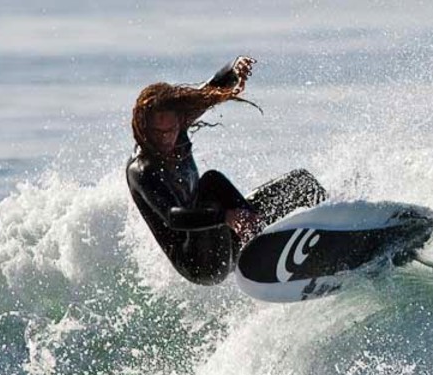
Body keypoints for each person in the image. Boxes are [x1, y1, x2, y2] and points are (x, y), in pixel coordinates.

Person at [127, 57, 326, 285]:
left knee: (301, 183)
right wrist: (226, 217)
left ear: (179, 122)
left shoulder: (178, 127)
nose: (165, 139)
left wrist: (234, 70)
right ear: (143, 128)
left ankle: (336, 226)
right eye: (157, 132)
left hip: (225, 236)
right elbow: (173, 217)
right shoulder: (142, 170)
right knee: (211, 182)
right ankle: (262, 245)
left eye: (170, 130)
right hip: (201, 262)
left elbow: (207, 92)